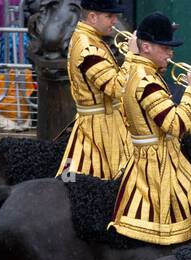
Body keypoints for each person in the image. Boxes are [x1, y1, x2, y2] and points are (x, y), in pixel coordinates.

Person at [109, 12, 191, 245]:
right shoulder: (147, 81)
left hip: (156, 155)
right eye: (165, 48)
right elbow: (175, 125)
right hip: (158, 166)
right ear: (145, 47)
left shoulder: (142, 71)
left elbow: (164, 120)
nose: (170, 53)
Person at [57, 0, 132, 179]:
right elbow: (118, 88)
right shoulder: (88, 47)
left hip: (102, 120)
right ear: (92, 17)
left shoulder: (88, 38)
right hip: (100, 127)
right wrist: (133, 57)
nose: (115, 21)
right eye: (109, 16)